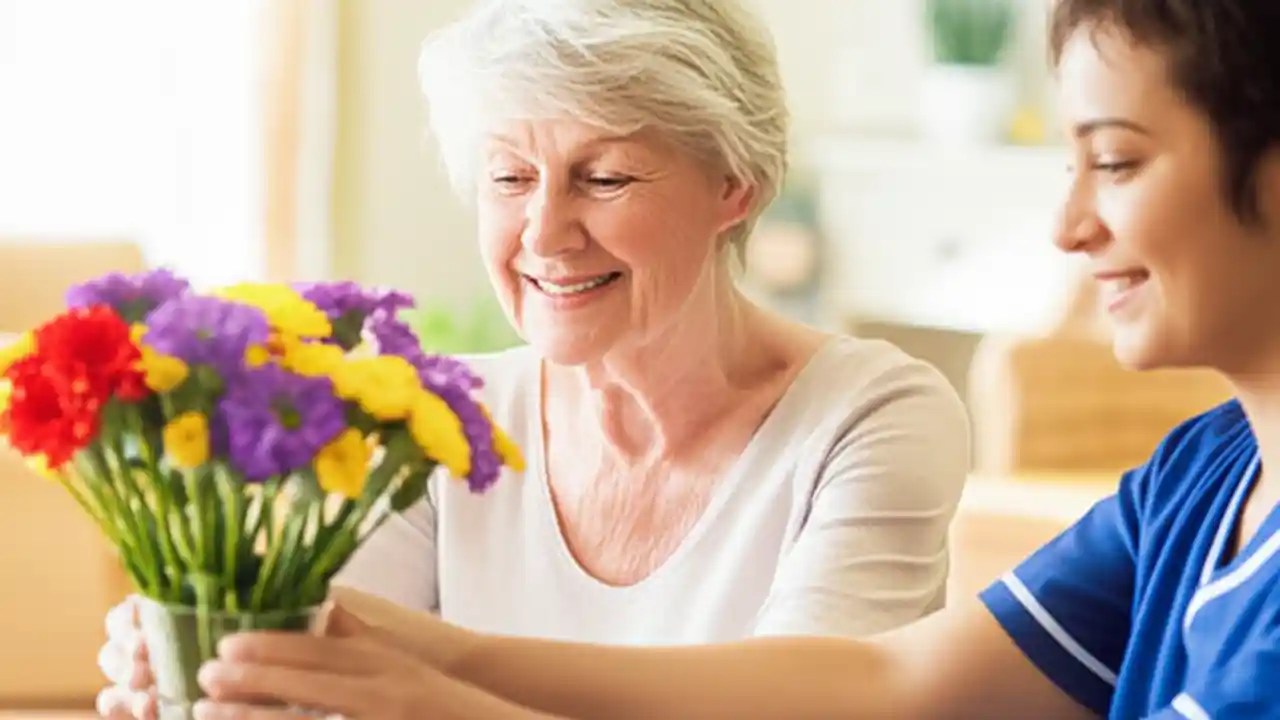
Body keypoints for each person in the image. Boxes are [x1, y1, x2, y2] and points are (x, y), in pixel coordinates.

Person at [141, 0, 1280, 717]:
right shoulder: (1194, 479)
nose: (1065, 229)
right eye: (507, 178)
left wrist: (428, 695)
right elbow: (879, 686)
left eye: (1117, 163)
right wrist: (330, 644)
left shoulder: (864, 413)